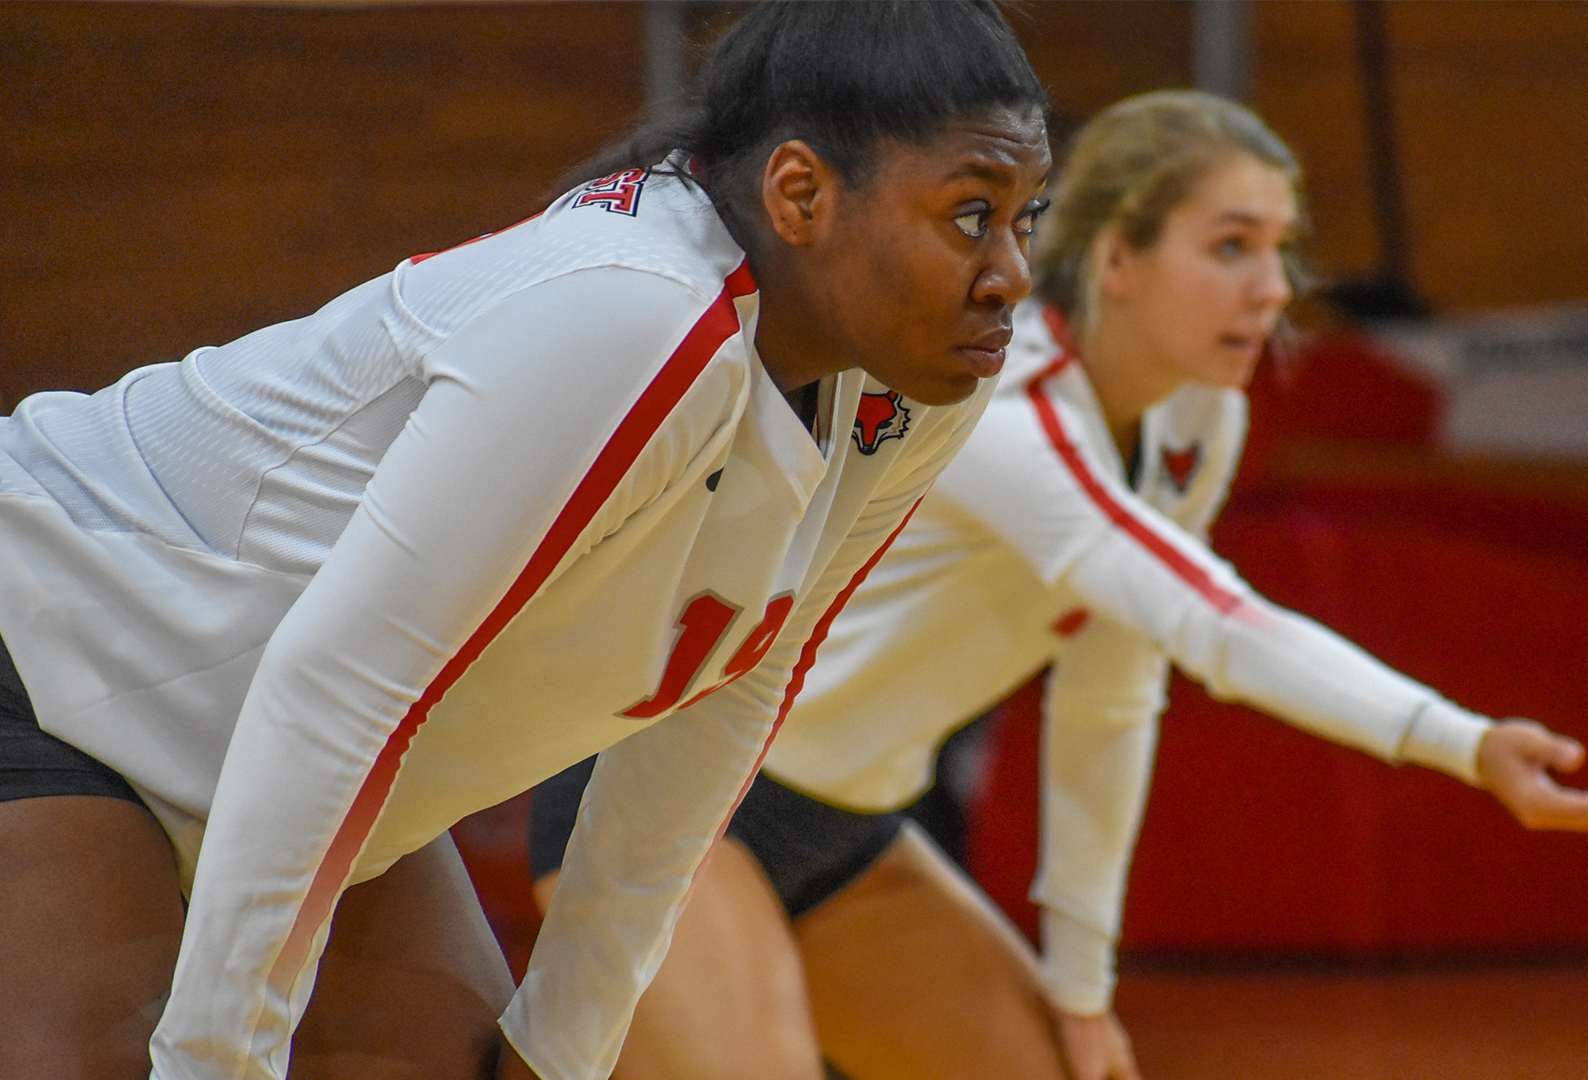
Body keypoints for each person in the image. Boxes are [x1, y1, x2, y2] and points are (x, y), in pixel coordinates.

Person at [0, 4, 1052, 1078]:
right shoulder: (629, 313)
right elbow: (340, 689)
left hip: (288, 748)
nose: (1011, 272)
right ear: (799, 195)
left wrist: (565, 1046)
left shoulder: (916, 388)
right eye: (972, 215)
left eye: (1030, 217)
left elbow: (734, 695)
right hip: (59, 626)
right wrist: (219, 1061)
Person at [528, 89, 1588, 1080]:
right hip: (673, 790)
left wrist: (1079, 989)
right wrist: (1460, 742)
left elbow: (1112, 690)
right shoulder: (999, 393)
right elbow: (1214, 621)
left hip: (856, 826)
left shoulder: (1197, 418)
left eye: (1282, 249)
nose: (1274, 290)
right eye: (1231, 248)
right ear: (1117, 257)